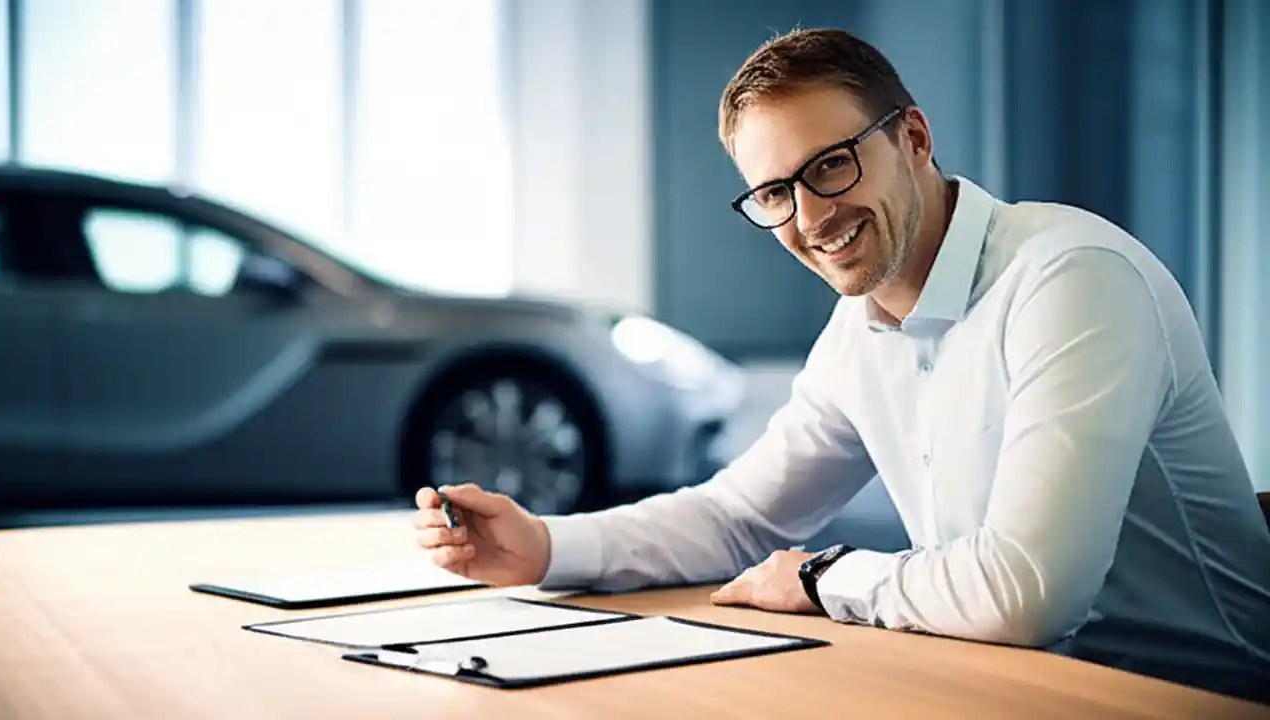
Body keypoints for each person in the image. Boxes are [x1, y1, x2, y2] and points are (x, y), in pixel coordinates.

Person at [413, 28, 1270, 701]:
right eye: (776, 193)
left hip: (1197, 698)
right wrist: (545, 547)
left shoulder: (1072, 278)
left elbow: (1026, 593)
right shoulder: (861, 328)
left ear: (916, 139)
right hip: (1026, 688)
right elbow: (739, 520)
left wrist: (825, 577)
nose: (812, 215)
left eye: (831, 165)